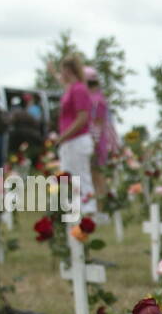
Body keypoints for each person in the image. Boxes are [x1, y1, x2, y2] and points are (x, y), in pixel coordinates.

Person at [50, 53, 98, 215]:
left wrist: (62, 136)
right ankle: (75, 206)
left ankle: (88, 208)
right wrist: (52, 72)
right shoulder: (71, 88)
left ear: (68, 71)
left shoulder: (78, 90)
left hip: (77, 139)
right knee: (69, 174)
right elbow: (60, 80)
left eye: (62, 70)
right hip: (70, 140)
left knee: (80, 175)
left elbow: (82, 118)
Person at [85, 67, 119, 204]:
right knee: (94, 176)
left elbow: (98, 123)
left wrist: (93, 142)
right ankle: (99, 206)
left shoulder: (97, 100)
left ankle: (102, 207)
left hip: (96, 142)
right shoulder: (97, 98)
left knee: (98, 176)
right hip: (95, 140)